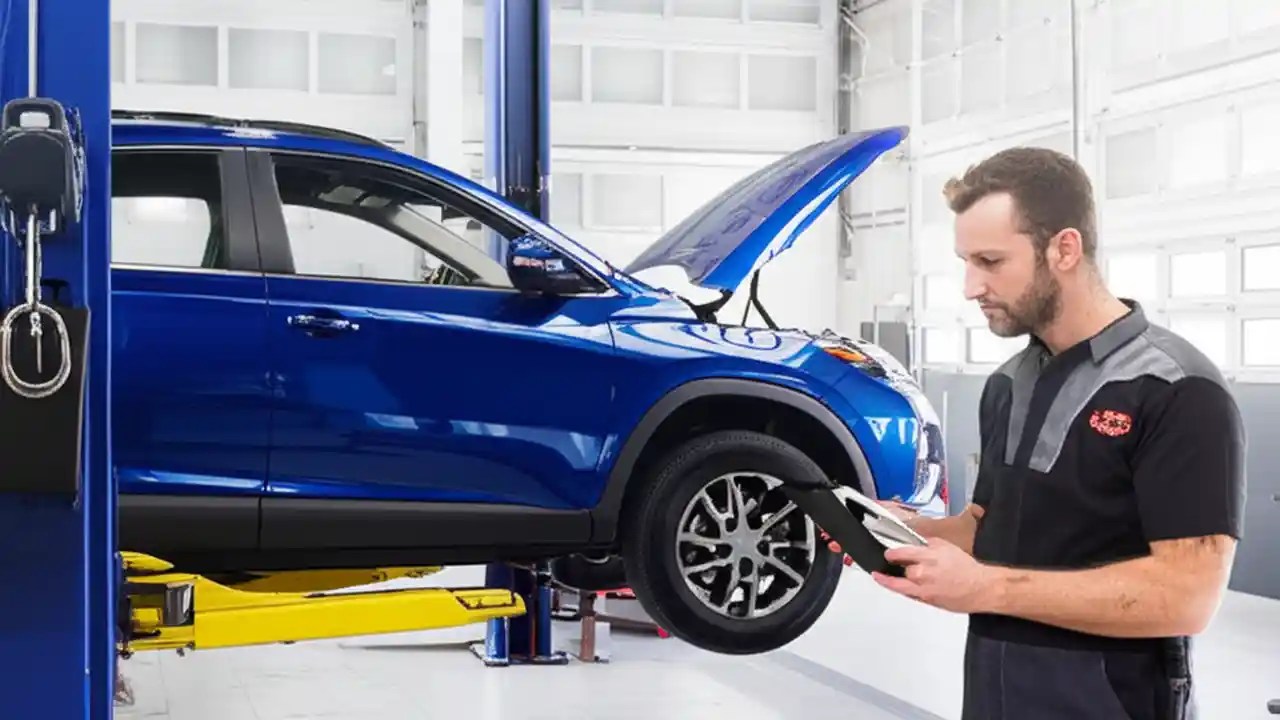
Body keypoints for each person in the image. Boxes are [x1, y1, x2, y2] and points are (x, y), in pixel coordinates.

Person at [829, 147, 1246, 719]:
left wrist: (986, 589)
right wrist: (907, 530)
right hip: (996, 698)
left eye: (990, 261)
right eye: (965, 261)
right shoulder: (1008, 383)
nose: (971, 286)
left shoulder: (1177, 389)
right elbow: (991, 529)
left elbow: (1187, 596)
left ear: (1064, 249)